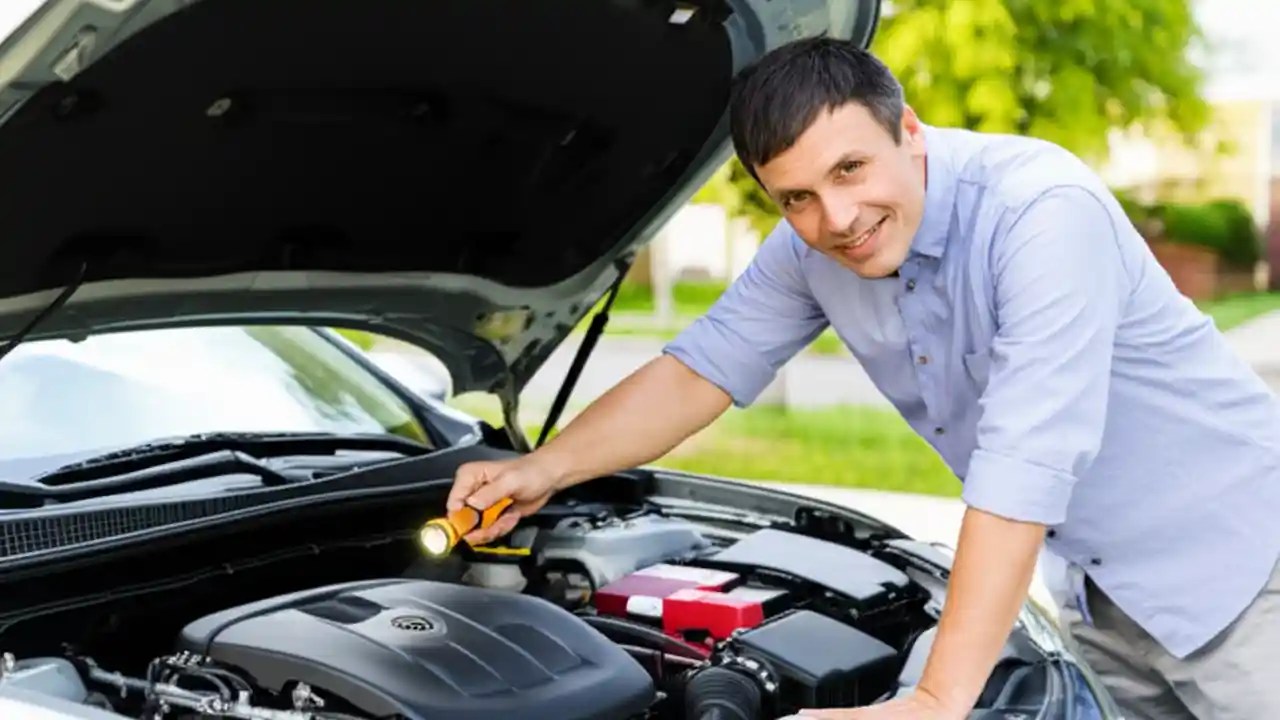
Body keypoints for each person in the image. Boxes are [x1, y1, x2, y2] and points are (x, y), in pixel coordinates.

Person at [446, 36, 1280, 719]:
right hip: (1102, 595)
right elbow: (701, 369)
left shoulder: (1040, 214)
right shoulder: (810, 252)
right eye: (796, 197)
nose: (835, 220)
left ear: (908, 131)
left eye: (851, 170)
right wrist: (540, 470)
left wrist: (937, 700)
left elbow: (1027, 459)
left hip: (1245, 574)